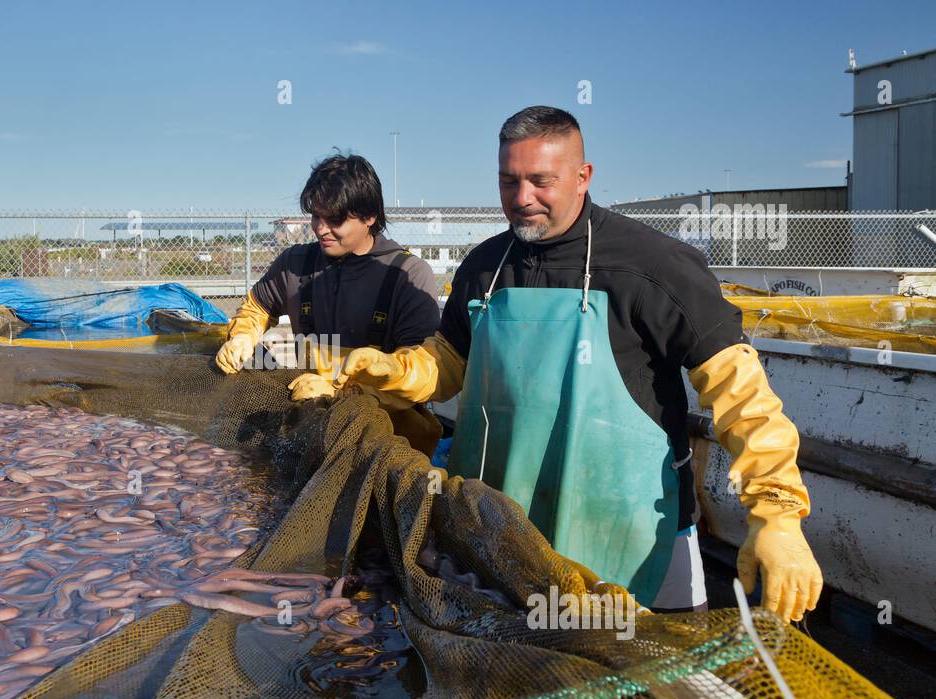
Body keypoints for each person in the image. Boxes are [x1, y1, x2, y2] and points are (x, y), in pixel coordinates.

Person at [313, 106, 822, 620]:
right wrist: (394, 372)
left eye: (541, 181)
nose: (522, 197)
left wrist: (776, 514)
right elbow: (446, 362)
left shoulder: (653, 265)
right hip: (504, 535)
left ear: (583, 177)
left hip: (634, 538)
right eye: (508, 181)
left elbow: (742, 394)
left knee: (649, 685)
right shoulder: (485, 267)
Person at [214, 152, 444, 454]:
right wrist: (244, 335)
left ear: (370, 217)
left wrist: (343, 390)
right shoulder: (294, 263)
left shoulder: (408, 275)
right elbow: (258, 307)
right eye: (316, 217)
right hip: (311, 430)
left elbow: (418, 373)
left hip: (386, 441)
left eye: (334, 219)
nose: (321, 229)